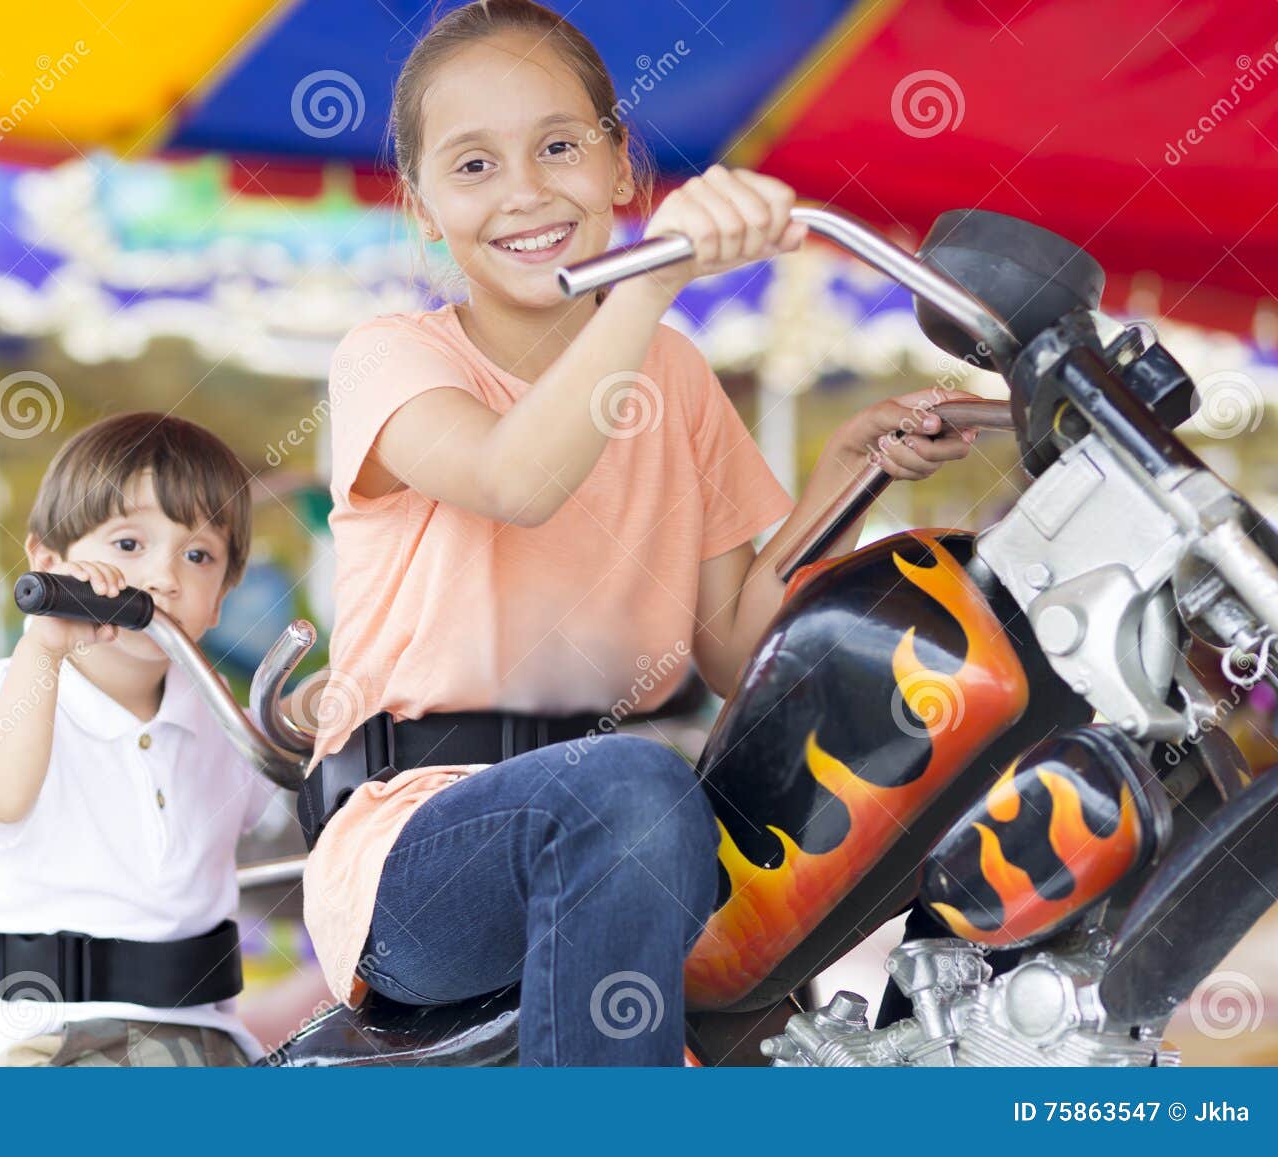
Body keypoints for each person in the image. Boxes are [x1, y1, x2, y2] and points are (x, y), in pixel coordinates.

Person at [299, 0, 981, 1066]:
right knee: (630, 783)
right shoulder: (391, 355)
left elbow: (730, 641)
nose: (525, 191)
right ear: (423, 208)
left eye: (559, 147)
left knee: (931, 759)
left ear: (621, 166)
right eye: (473, 166)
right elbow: (512, 475)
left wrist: (842, 477)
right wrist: (652, 277)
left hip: (634, 826)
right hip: (419, 846)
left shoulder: (673, 375)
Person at [0, 411, 274, 1066]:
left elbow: (290, 785)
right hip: (45, 1036)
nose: (164, 576)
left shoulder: (219, 714)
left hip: (202, 1033)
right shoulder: (11, 686)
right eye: (127, 545)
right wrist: (44, 648)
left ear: (221, 599)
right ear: (49, 563)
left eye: (197, 555)